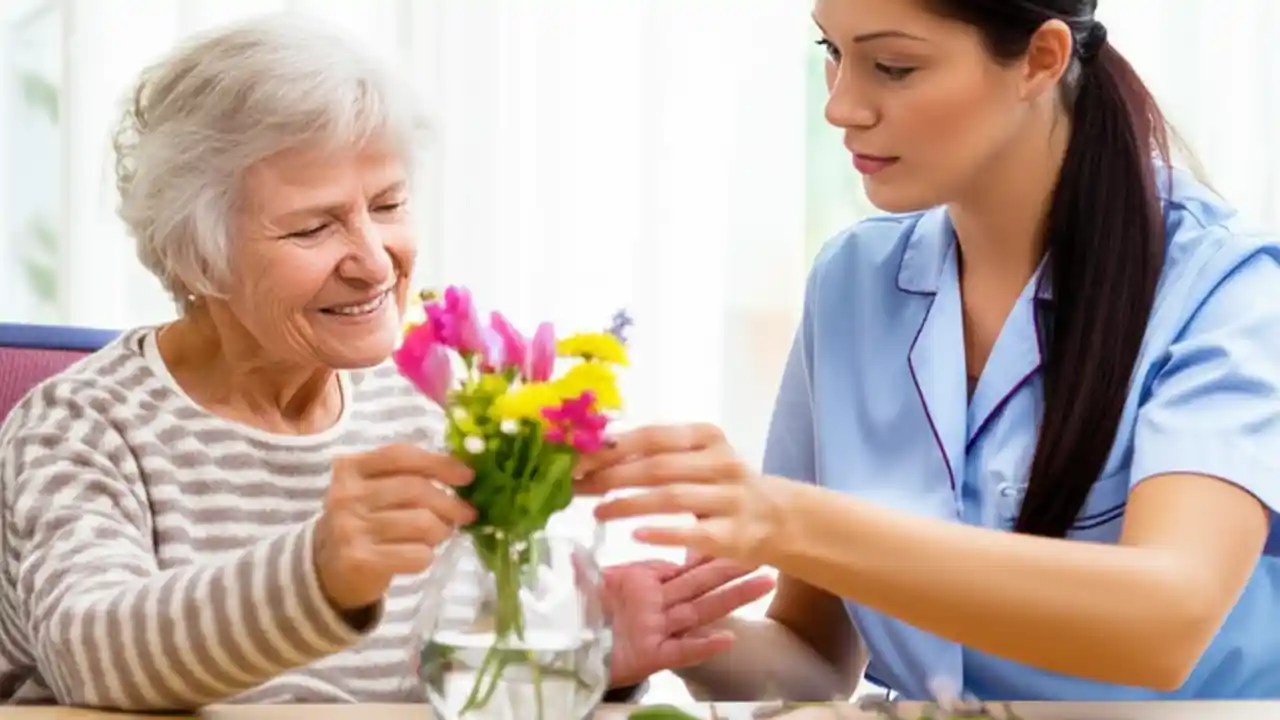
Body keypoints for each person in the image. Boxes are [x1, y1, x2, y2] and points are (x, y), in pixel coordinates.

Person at [0, 15, 770, 709]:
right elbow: (89, 654)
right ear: (195, 258)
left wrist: (589, 652)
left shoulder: (422, 412)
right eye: (312, 229)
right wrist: (318, 575)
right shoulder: (83, 427)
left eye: (390, 205)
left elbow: (426, 683)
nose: (374, 263)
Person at [578, 0, 1280, 703]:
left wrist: (787, 520)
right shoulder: (853, 283)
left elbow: (1166, 622)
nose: (842, 107)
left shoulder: (1223, 289)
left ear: (1041, 58)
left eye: (893, 67)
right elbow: (818, 658)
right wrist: (655, 634)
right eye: (833, 51)